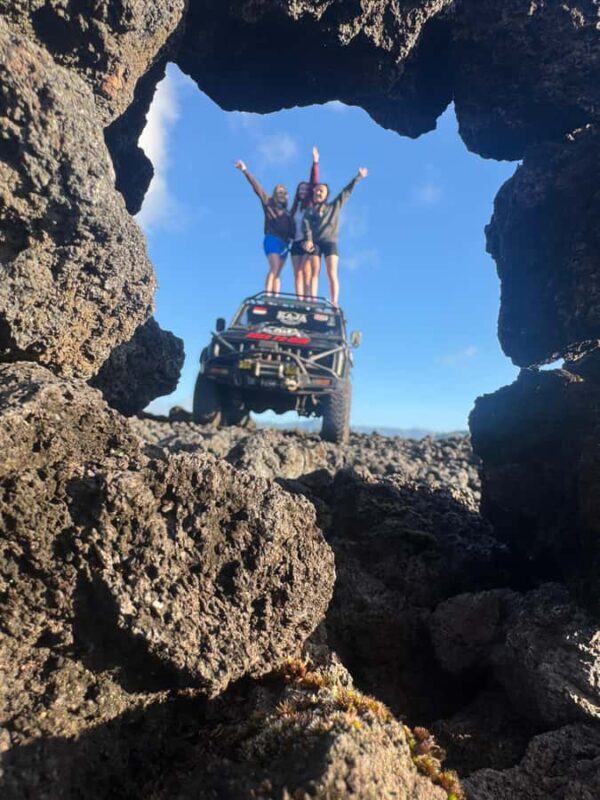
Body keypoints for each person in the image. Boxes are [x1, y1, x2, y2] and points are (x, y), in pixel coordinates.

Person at [303, 167, 368, 306]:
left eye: (321, 191)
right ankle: (312, 302)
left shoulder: (334, 206)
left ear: (326, 195)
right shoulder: (310, 210)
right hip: (316, 243)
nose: (318, 192)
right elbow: (306, 225)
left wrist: (358, 177)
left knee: (331, 273)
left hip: (330, 242)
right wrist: (308, 239)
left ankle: (334, 302)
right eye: (317, 190)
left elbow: (346, 192)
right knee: (314, 272)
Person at [235, 160, 294, 294]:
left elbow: (293, 231)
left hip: (285, 244)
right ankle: (268, 295)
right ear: (274, 194)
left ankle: (275, 298)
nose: (281, 194)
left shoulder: (289, 213)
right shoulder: (268, 202)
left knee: (278, 273)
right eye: (279, 192)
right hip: (272, 238)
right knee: (274, 267)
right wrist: (245, 171)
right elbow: (258, 188)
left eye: (283, 193)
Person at [289, 146, 320, 299]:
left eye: (305, 190)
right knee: (298, 273)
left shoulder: (310, 204)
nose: (302, 192)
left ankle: (309, 299)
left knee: (306, 270)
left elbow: (313, 182)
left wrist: (315, 162)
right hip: (295, 242)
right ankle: (299, 300)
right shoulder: (293, 210)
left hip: (307, 240)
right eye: (300, 190)